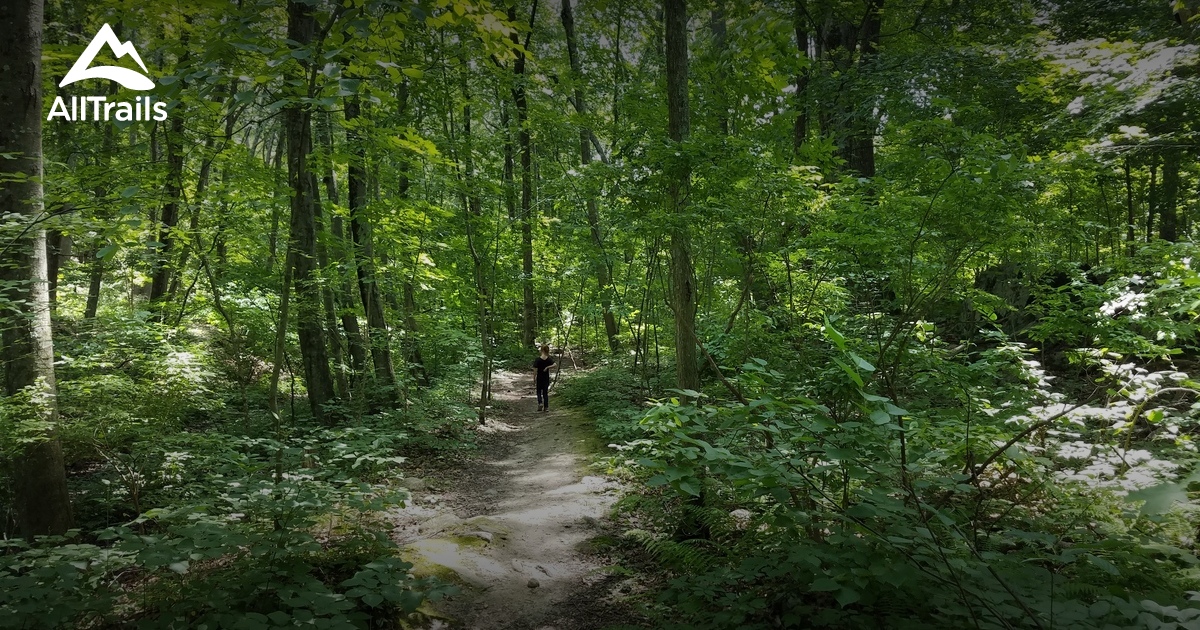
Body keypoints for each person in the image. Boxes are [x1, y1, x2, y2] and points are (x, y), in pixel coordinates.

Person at [533, 344, 555, 412]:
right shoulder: (549, 359)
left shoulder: (538, 360)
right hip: (546, 378)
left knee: (539, 391)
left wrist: (534, 378)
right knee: (545, 393)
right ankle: (546, 407)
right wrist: (547, 367)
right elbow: (555, 364)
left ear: (542, 350)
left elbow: (535, 370)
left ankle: (540, 403)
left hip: (539, 377)